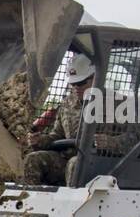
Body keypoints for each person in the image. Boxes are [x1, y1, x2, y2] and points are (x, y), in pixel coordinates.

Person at [22, 53, 94, 186]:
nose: (76, 87)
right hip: (67, 159)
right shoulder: (67, 104)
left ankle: (72, 205)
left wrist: (108, 142)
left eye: (81, 82)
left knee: (75, 164)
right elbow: (57, 135)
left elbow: (136, 136)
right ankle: (32, 203)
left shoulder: (114, 104)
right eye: (73, 83)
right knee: (32, 159)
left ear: (95, 78)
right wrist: (39, 140)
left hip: (97, 162)